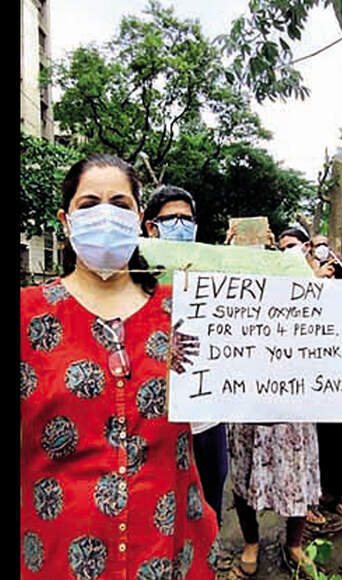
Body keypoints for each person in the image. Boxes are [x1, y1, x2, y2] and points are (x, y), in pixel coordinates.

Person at [21, 155, 219, 579]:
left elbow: (269, 374)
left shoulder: (189, 309)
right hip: (54, 556)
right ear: (65, 220)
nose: (105, 215)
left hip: (169, 551)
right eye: (89, 204)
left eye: (121, 204)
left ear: (139, 219)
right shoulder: (25, 317)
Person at [228, 229, 342, 579]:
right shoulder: (244, 286)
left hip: (298, 409)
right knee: (245, 478)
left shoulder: (332, 289)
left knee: (300, 481)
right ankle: (251, 543)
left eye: (293, 247)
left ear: (309, 248)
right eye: (280, 249)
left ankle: (294, 544)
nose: (286, 254)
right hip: (248, 404)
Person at [141, 185, 229, 531]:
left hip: (207, 418)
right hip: (155, 421)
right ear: (150, 227)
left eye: (187, 219)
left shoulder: (215, 274)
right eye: (171, 218)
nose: (181, 225)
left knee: (209, 505)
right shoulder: (132, 278)